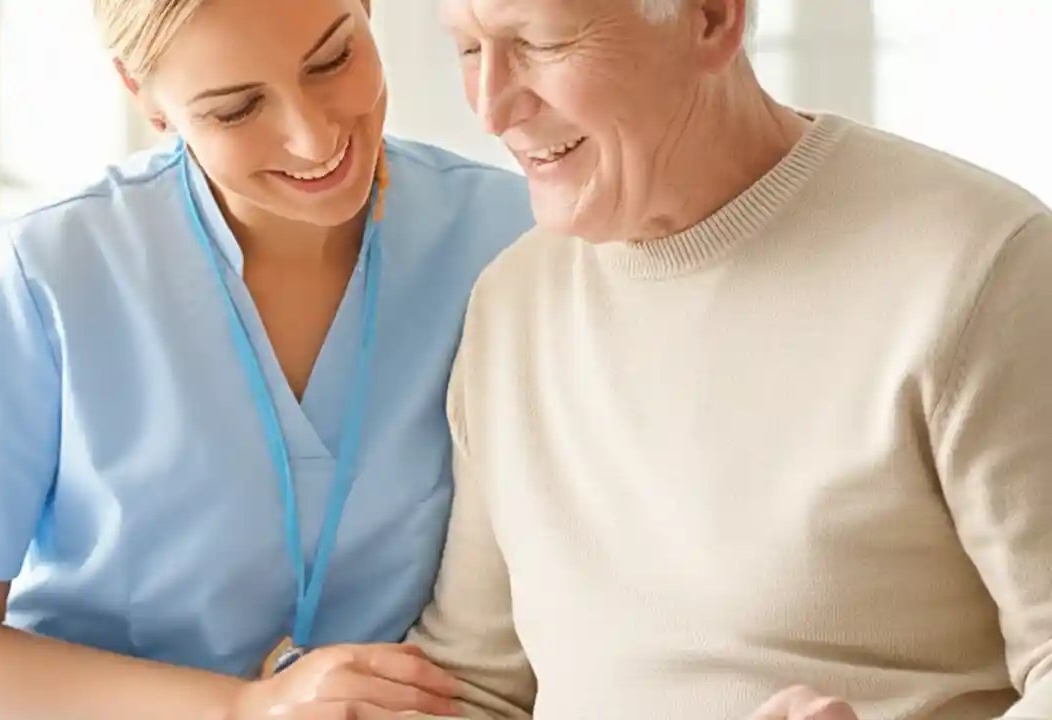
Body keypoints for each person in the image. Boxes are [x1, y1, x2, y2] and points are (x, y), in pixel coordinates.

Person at [0, 0, 533, 718]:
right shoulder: (47, 273)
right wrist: (243, 709)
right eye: (236, 108)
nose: (313, 139)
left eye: (333, 59)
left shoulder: (511, 239)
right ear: (144, 98)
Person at [407, 0, 1052, 718]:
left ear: (713, 19)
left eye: (542, 43)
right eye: (468, 51)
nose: (492, 108)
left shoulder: (982, 266)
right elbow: (475, 689)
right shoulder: (512, 304)